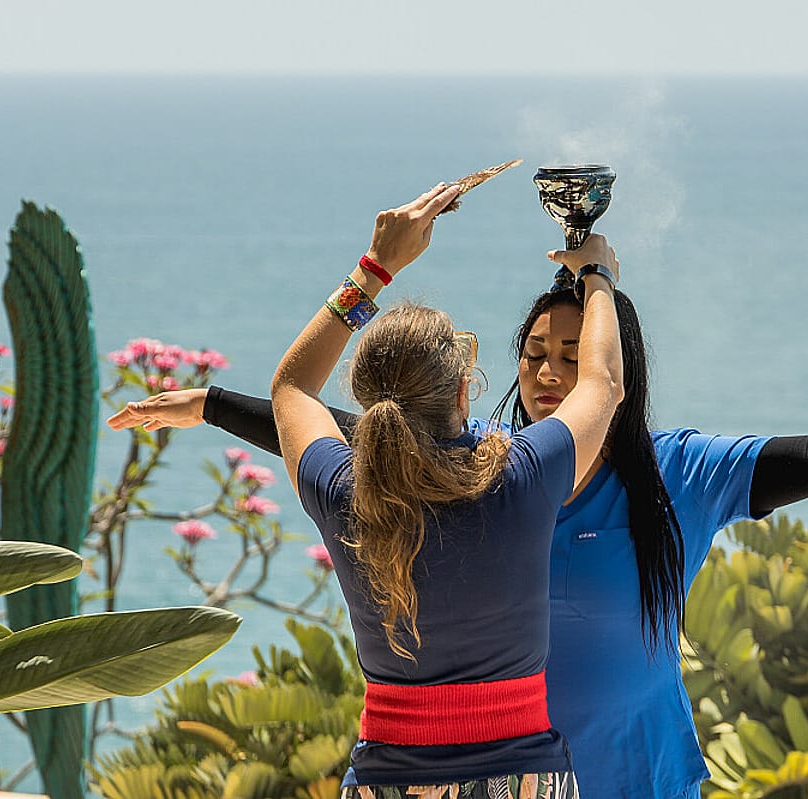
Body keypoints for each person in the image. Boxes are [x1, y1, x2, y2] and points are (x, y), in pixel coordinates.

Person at [111, 265, 808, 799]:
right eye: (534, 353)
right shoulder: (483, 463)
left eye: (571, 357)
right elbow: (366, 438)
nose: (545, 373)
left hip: (640, 779)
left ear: (608, 365)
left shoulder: (680, 472)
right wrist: (212, 404)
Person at [226, 182, 622, 797]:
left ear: (368, 398)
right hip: (522, 783)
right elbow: (602, 384)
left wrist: (376, 266)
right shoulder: (522, 475)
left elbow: (292, 391)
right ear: (464, 394)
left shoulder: (344, 490)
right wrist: (597, 274)